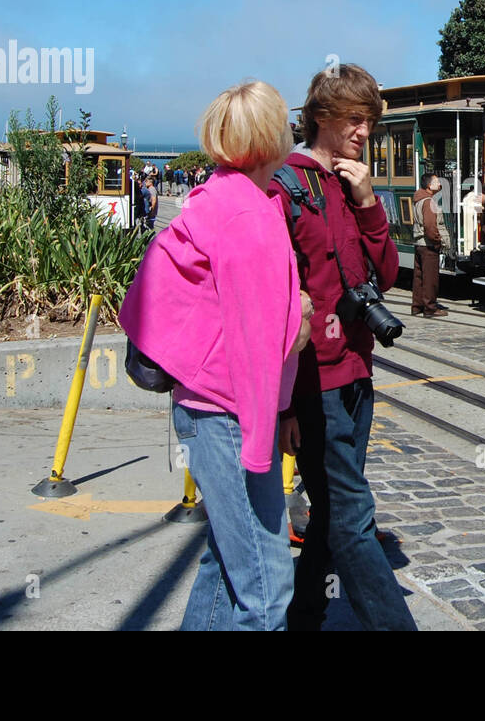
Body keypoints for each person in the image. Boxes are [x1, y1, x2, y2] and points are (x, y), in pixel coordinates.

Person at [118, 80, 311, 630]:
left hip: (205, 407)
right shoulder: (248, 217)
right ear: (275, 137)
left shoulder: (220, 195)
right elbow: (254, 342)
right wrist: (295, 329)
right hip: (229, 414)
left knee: (229, 563)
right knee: (268, 591)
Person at [273, 63, 417, 632]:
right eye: (356, 120)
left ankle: (305, 616)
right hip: (315, 381)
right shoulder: (286, 184)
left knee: (333, 510)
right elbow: (276, 303)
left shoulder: (351, 185)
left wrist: (367, 203)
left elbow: (385, 275)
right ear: (323, 119)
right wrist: (282, 402)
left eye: (370, 123)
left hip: (358, 373)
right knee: (354, 518)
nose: (365, 133)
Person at [411, 172, 449, 317]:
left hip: (419, 243)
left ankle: (417, 306)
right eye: (437, 182)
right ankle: (430, 308)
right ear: (429, 185)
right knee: (430, 278)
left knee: (419, 276)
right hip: (428, 244)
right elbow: (430, 226)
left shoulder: (419, 199)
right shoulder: (429, 202)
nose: (440, 184)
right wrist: (437, 240)